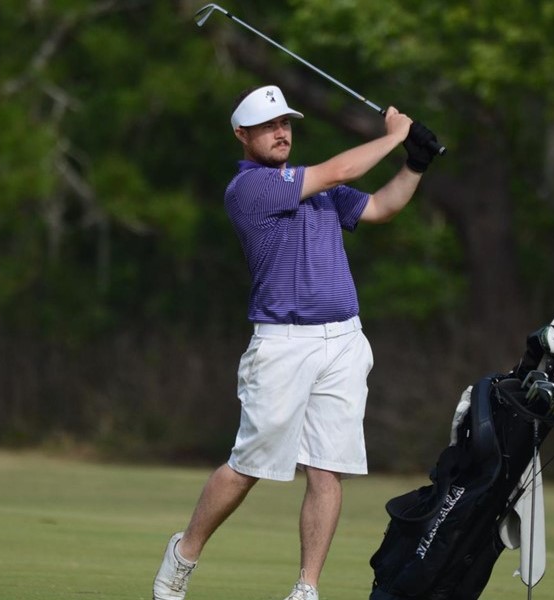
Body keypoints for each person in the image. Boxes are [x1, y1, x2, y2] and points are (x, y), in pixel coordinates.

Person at [152, 84, 439, 600]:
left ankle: (306, 588)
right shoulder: (250, 189)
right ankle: (184, 552)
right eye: (268, 126)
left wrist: (413, 165)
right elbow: (341, 170)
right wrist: (395, 136)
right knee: (249, 466)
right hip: (283, 343)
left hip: (344, 340)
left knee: (327, 469)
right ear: (242, 135)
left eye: (285, 124)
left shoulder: (315, 188)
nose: (281, 133)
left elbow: (378, 208)